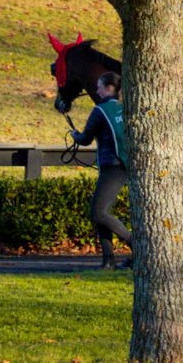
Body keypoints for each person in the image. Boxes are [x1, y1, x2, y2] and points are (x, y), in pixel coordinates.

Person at [70, 71, 132, 269]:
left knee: (98, 213)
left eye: (99, 86)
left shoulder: (100, 110)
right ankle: (108, 260)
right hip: (123, 165)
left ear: (109, 88)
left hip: (111, 166)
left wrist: (74, 134)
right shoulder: (124, 109)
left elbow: (85, 139)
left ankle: (136, 245)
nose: (96, 90)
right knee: (101, 212)